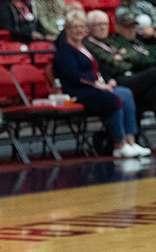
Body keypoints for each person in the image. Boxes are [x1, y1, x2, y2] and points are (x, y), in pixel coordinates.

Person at [84, 8, 156, 149]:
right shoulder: (96, 43)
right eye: (98, 25)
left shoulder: (110, 42)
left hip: (128, 78)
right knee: (154, 73)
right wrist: (125, 60)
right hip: (115, 81)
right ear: (89, 27)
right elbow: (114, 64)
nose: (103, 27)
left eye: (104, 24)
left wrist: (125, 58)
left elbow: (154, 57)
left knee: (155, 92)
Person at [54, 11, 147, 158]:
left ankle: (131, 141)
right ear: (67, 29)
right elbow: (72, 75)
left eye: (81, 27)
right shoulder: (65, 51)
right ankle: (119, 144)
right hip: (77, 91)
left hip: (96, 87)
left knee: (126, 93)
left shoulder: (85, 48)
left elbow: (99, 69)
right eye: (74, 27)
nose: (79, 30)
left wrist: (108, 79)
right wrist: (95, 84)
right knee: (111, 98)